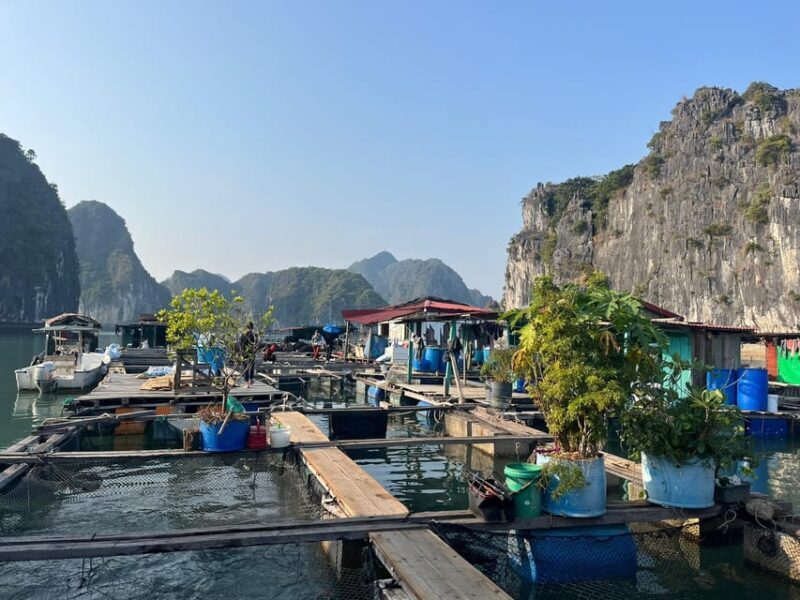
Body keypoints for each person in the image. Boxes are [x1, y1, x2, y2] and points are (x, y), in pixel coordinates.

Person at [239, 321, 257, 387]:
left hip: (244, 353)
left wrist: (240, 352)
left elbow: (240, 344)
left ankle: (247, 383)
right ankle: (251, 379)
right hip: (252, 352)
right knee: (251, 366)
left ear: (246, 327)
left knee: (245, 368)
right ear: (252, 327)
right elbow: (256, 344)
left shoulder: (243, 335)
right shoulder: (254, 335)